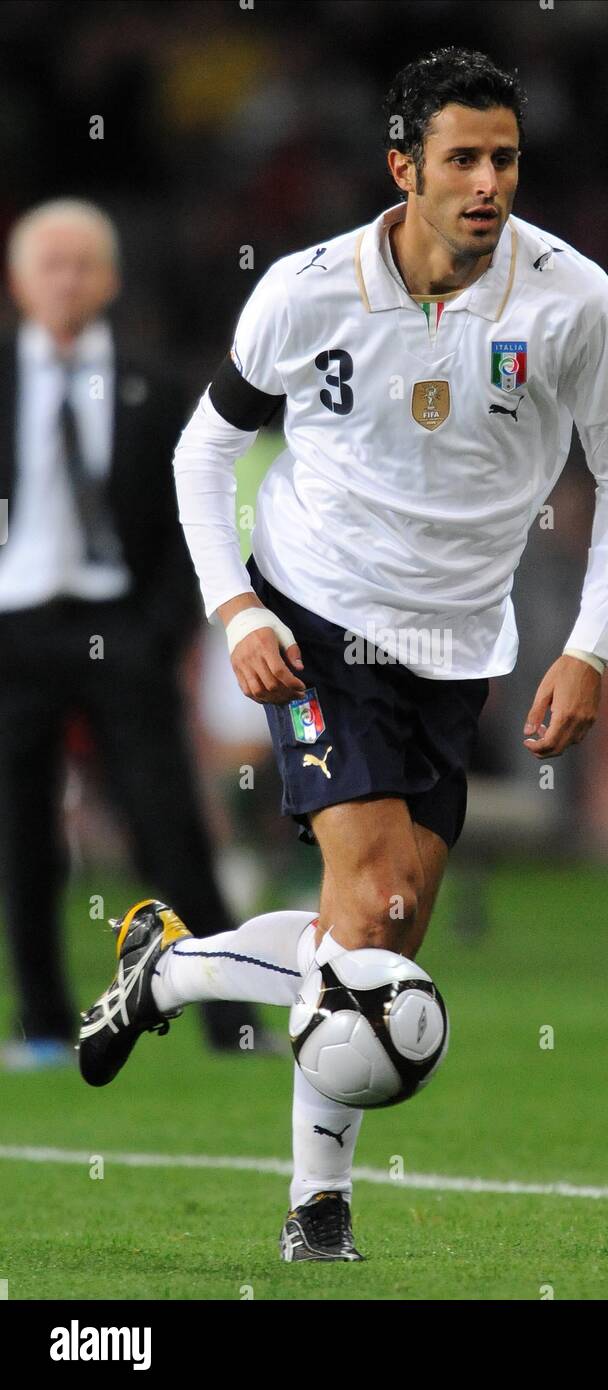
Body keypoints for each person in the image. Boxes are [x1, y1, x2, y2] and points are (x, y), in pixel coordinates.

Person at [78, 49, 608, 1260]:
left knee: (381, 939)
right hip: (316, 623)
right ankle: (317, 1210)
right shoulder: (304, 291)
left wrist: (591, 647)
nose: (488, 182)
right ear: (403, 168)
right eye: (461, 158)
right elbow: (202, 452)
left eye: (504, 157)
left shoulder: (574, 304)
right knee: (374, 897)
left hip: (458, 648)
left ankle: (169, 974)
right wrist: (238, 611)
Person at [0, 198, 281, 1068]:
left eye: (83, 263)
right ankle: (43, 1023)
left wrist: (159, 631)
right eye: (50, 263)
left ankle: (232, 1022)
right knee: (20, 837)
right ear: (18, 281)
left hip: (120, 629)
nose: (67, 279)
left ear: (112, 278)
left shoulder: (157, 386)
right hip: (14, 635)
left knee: (172, 831)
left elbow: (184, 516)